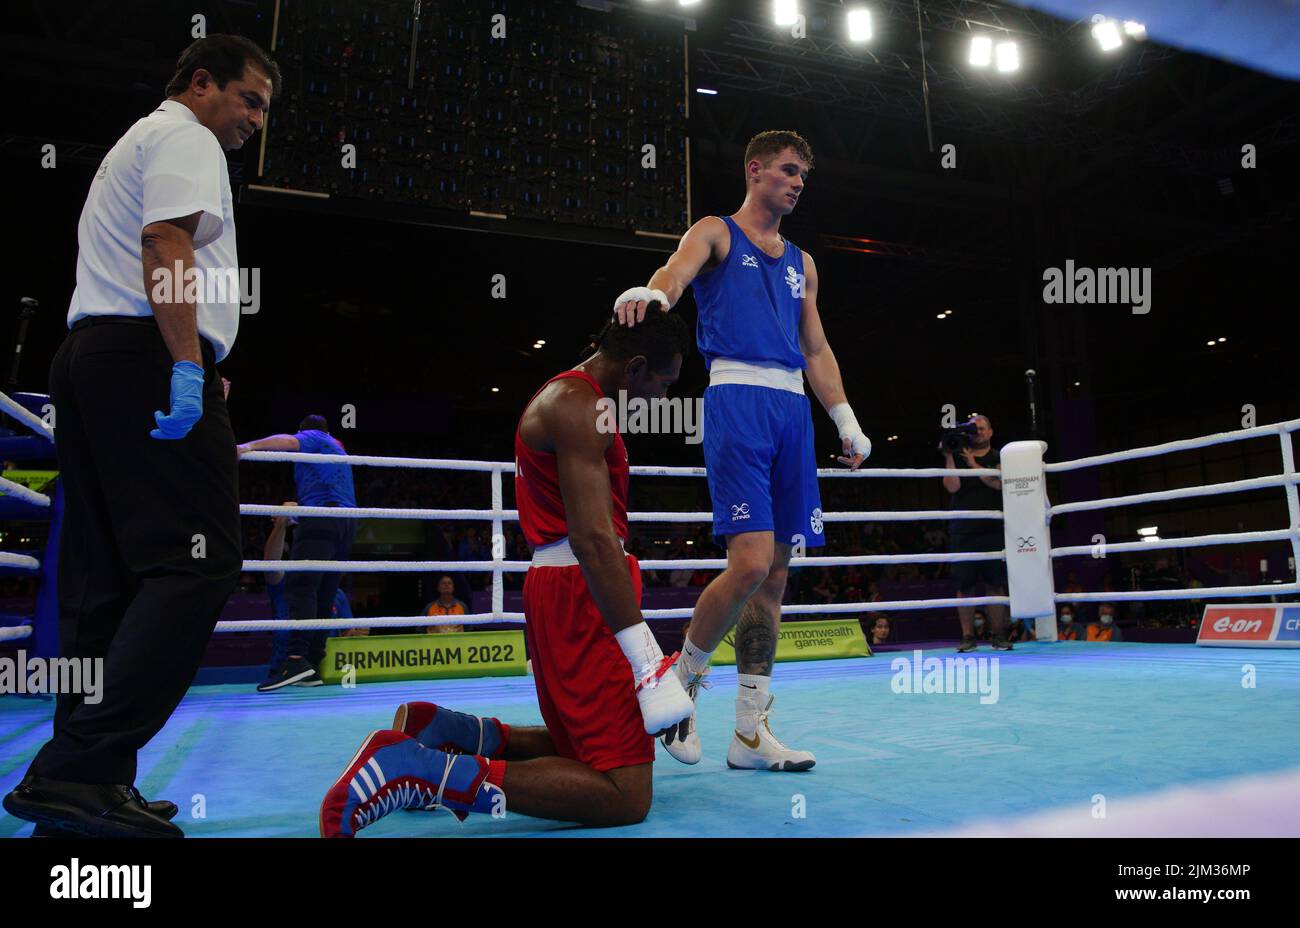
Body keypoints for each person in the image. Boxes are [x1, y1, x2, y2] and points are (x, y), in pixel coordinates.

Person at [3, 35, 279, 839]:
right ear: (202, 84)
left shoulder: (138, 138)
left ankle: (85, 780)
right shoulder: (187, 136)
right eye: (250, 100)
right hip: (142, 355)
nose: (255, 121)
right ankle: (78, 769)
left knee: (108, 581)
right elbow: (167, 243)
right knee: (198, 564)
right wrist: (187, 361)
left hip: (95, 355)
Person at [319, 311, 695, 836]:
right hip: (584, 589)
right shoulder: (579, 405)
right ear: (634, 367)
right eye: (663, 381)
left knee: (577, 746)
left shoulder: (579, 394)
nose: (662, 397)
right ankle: (421, 771)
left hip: (570, 587)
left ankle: (445, 734)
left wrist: (653, 294)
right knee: (624, 792)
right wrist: (647, 660)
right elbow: (592, 538)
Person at [612, 130, 870, 771]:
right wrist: (655, 295)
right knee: (751, 560)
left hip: (792, 414)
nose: (796, 183)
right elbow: (675, 271)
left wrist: (844, 416)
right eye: (787, 170)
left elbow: (814, 347)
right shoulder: (716, 231)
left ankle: (750, 733)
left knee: (776, 578)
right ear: (755, 169)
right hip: (737, 402)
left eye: (803, 176)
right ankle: (679, 684)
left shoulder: (804, 263)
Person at [238, 415, 356, 688]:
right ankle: (312, 663)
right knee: (324, 592)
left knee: (300, 586)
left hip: (321, 515)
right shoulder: (338, 447)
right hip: (346, 523)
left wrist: (247, 447)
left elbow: (288, 442)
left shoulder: (313, 438)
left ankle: (295, 660)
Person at [942, 414, 1012, 652]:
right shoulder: (959, 456)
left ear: (991, 432)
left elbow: (1000, 484)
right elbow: (952, 487)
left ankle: (999, 635)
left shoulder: (1000, 457)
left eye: (982, 428)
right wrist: (950, 454)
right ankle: (968, 637)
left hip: (993, 530)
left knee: (995, 585)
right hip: (963, 531)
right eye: (974, 430)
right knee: (965, 586)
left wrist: (974, 465)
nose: (978, 432)